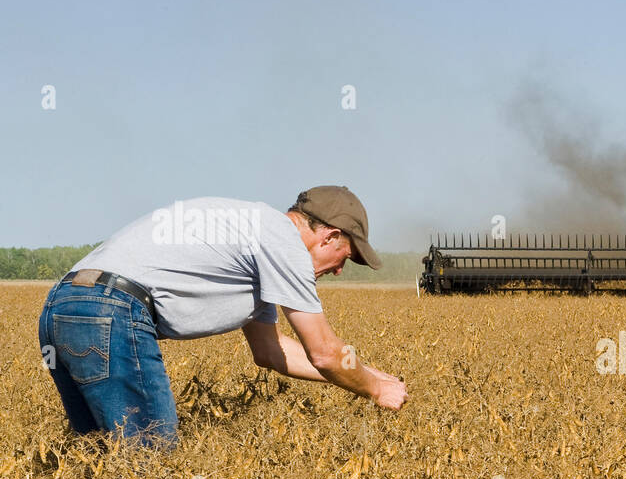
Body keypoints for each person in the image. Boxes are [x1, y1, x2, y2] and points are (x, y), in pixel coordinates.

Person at [37, 186, 409, 447]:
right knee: (148, 464)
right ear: (329, 237)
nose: (340, 270)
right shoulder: (282, 240)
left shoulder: (253, 237)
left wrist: (368, 374)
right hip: (113, 311)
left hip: (65, 307)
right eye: (345, 257)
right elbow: (325, 352)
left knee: (99, 457)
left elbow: (270, 350)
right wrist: (376, 391)